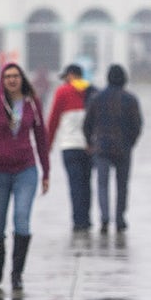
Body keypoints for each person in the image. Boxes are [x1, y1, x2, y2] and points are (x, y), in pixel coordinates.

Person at [0, 63, 51, 290]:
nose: (12, 80)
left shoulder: (31, 103)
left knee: (22, 220)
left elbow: (41, 138)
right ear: (2, 80)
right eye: (7, 76)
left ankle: (17, 273)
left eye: (16, 76)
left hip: (25, 171)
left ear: (22, 79)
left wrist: (46, 171)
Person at [82, 64, 142, 234]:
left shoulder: (96, 98)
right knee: (122, 185)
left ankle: (104, 218)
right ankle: (120, 218)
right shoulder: (131, 99)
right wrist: (131, 142)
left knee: (102, 184)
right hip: (123, 147)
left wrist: (90, 142)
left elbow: (87, 124)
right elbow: (137, 125)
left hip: (101, 147)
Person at [47, 64, 96, 232]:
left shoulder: (62, 92)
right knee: (87, 184)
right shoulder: (91, 91)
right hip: (88, 146)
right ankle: (87, 219)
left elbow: (53, 119)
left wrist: (48, 144)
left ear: (70, 75)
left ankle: (78, 220)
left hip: (69, 146)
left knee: (75, 184)